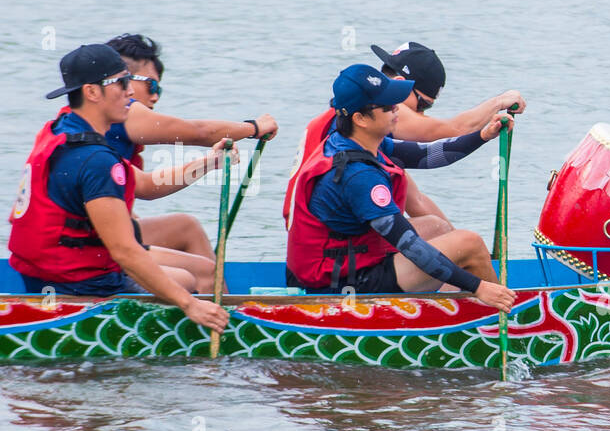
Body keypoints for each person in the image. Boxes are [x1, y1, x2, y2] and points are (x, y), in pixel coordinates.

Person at [9, 44, 228, 333]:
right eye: (122, 83)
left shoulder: (63, 130)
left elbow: (147, 185)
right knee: (186, 282)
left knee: (199, 269)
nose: (130, 92)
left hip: (47, 273)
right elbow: (124, 251)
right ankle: (212, 333)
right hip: (78, 282)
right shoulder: (95, 160)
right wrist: (190, 305)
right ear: (92, 92)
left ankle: (216, 324)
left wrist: (210, 162)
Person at [284, 64, 516, 311]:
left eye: (395, 101)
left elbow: (428, 155)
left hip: (349, 262)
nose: (397, 109)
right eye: (386, 107)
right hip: (339, 285)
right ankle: (501, 319)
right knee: (469, 243)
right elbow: (408, 244)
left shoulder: (360, 141)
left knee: (436, 226)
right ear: (360, 118)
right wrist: (479, 286)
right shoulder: (358, 176)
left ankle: (458, 308)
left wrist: (483, 135)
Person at [285, 40, 525, 235]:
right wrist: (499, 102)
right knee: (434, 233)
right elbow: (453, 131)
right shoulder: (380, 112)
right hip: (321, 235)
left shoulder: (364, 130)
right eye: (423, 105)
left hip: (306, 230)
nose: (418, 114)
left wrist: (463, 249)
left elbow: (417, 200)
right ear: (399, 85)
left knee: (439, 231)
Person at [103, 33, 280, 288]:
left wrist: (209, 163)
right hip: (98, 251)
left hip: (105, 236)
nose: (155, 97)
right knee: (200, 271)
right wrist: (253, 127)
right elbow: (199, 132)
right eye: (151, 86)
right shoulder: (125, 113)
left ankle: (220, 305)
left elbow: (139, 186)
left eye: (159, 89)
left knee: (186, 226)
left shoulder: (87, 126)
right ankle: (219, 319)